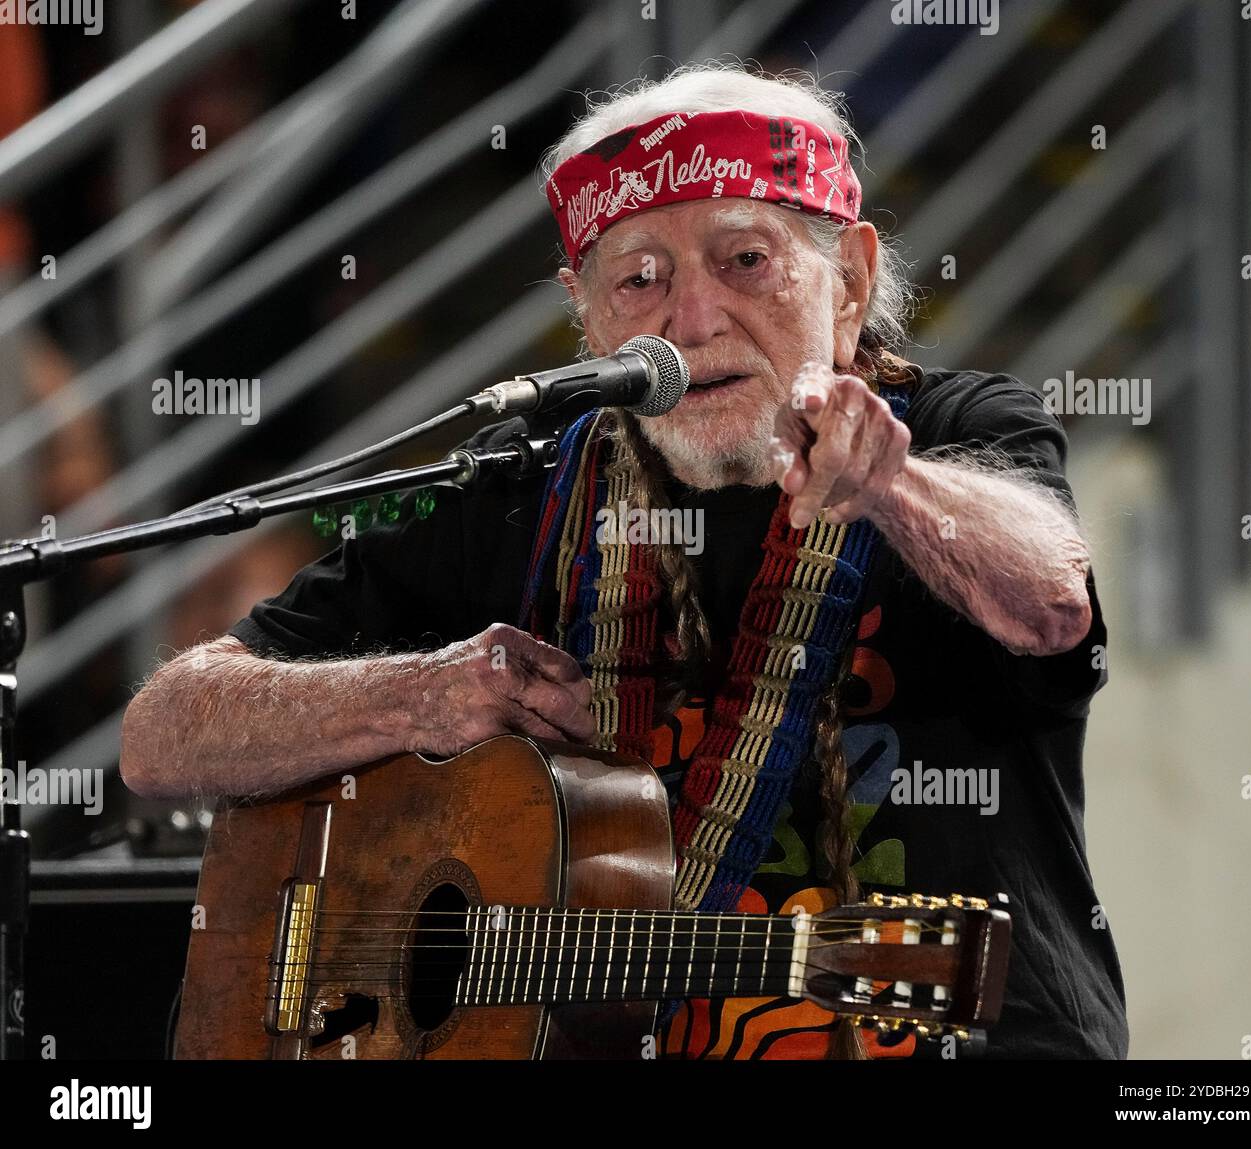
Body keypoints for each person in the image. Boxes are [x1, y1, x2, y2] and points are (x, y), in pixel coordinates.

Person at [121, 63, 1128, 1060]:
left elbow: (1049, 607)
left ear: (851, 279)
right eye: (638, 278)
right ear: (587, 312)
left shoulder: (954, 433)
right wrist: (415, 700)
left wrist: (891, 490)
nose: (689, 322)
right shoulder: (517, 498)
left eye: (745, 260)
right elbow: (161, 738)